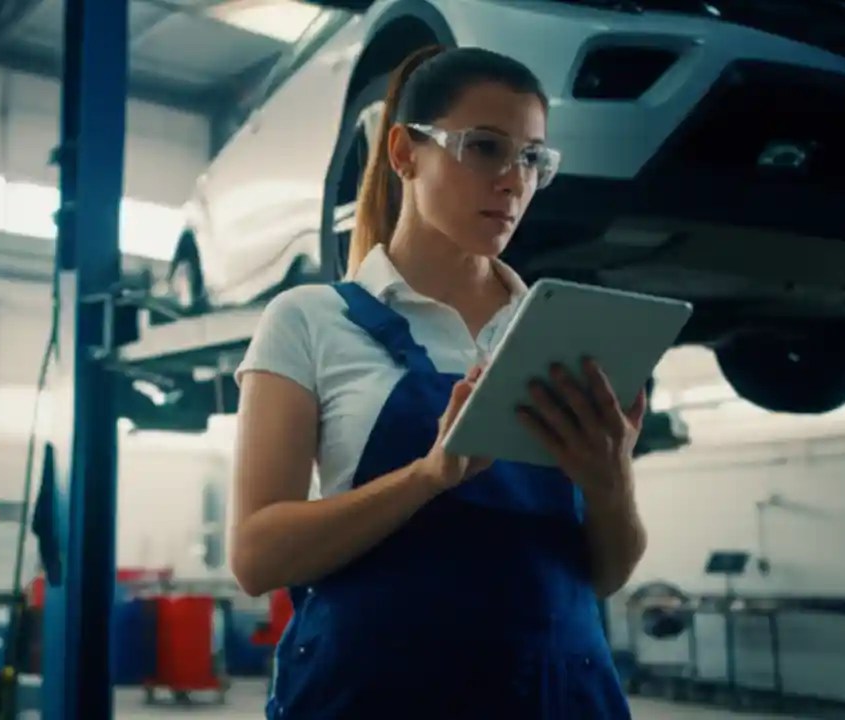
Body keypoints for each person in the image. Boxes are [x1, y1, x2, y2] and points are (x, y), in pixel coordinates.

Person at [230, 45, 648, 719]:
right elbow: (255, 557)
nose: (514, 181)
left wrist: (611, 485)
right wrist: (427, 476)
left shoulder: (558, 334)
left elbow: (605, 574)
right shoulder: (310, 320)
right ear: (404, 152)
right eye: (485, 148)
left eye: (533, 159)